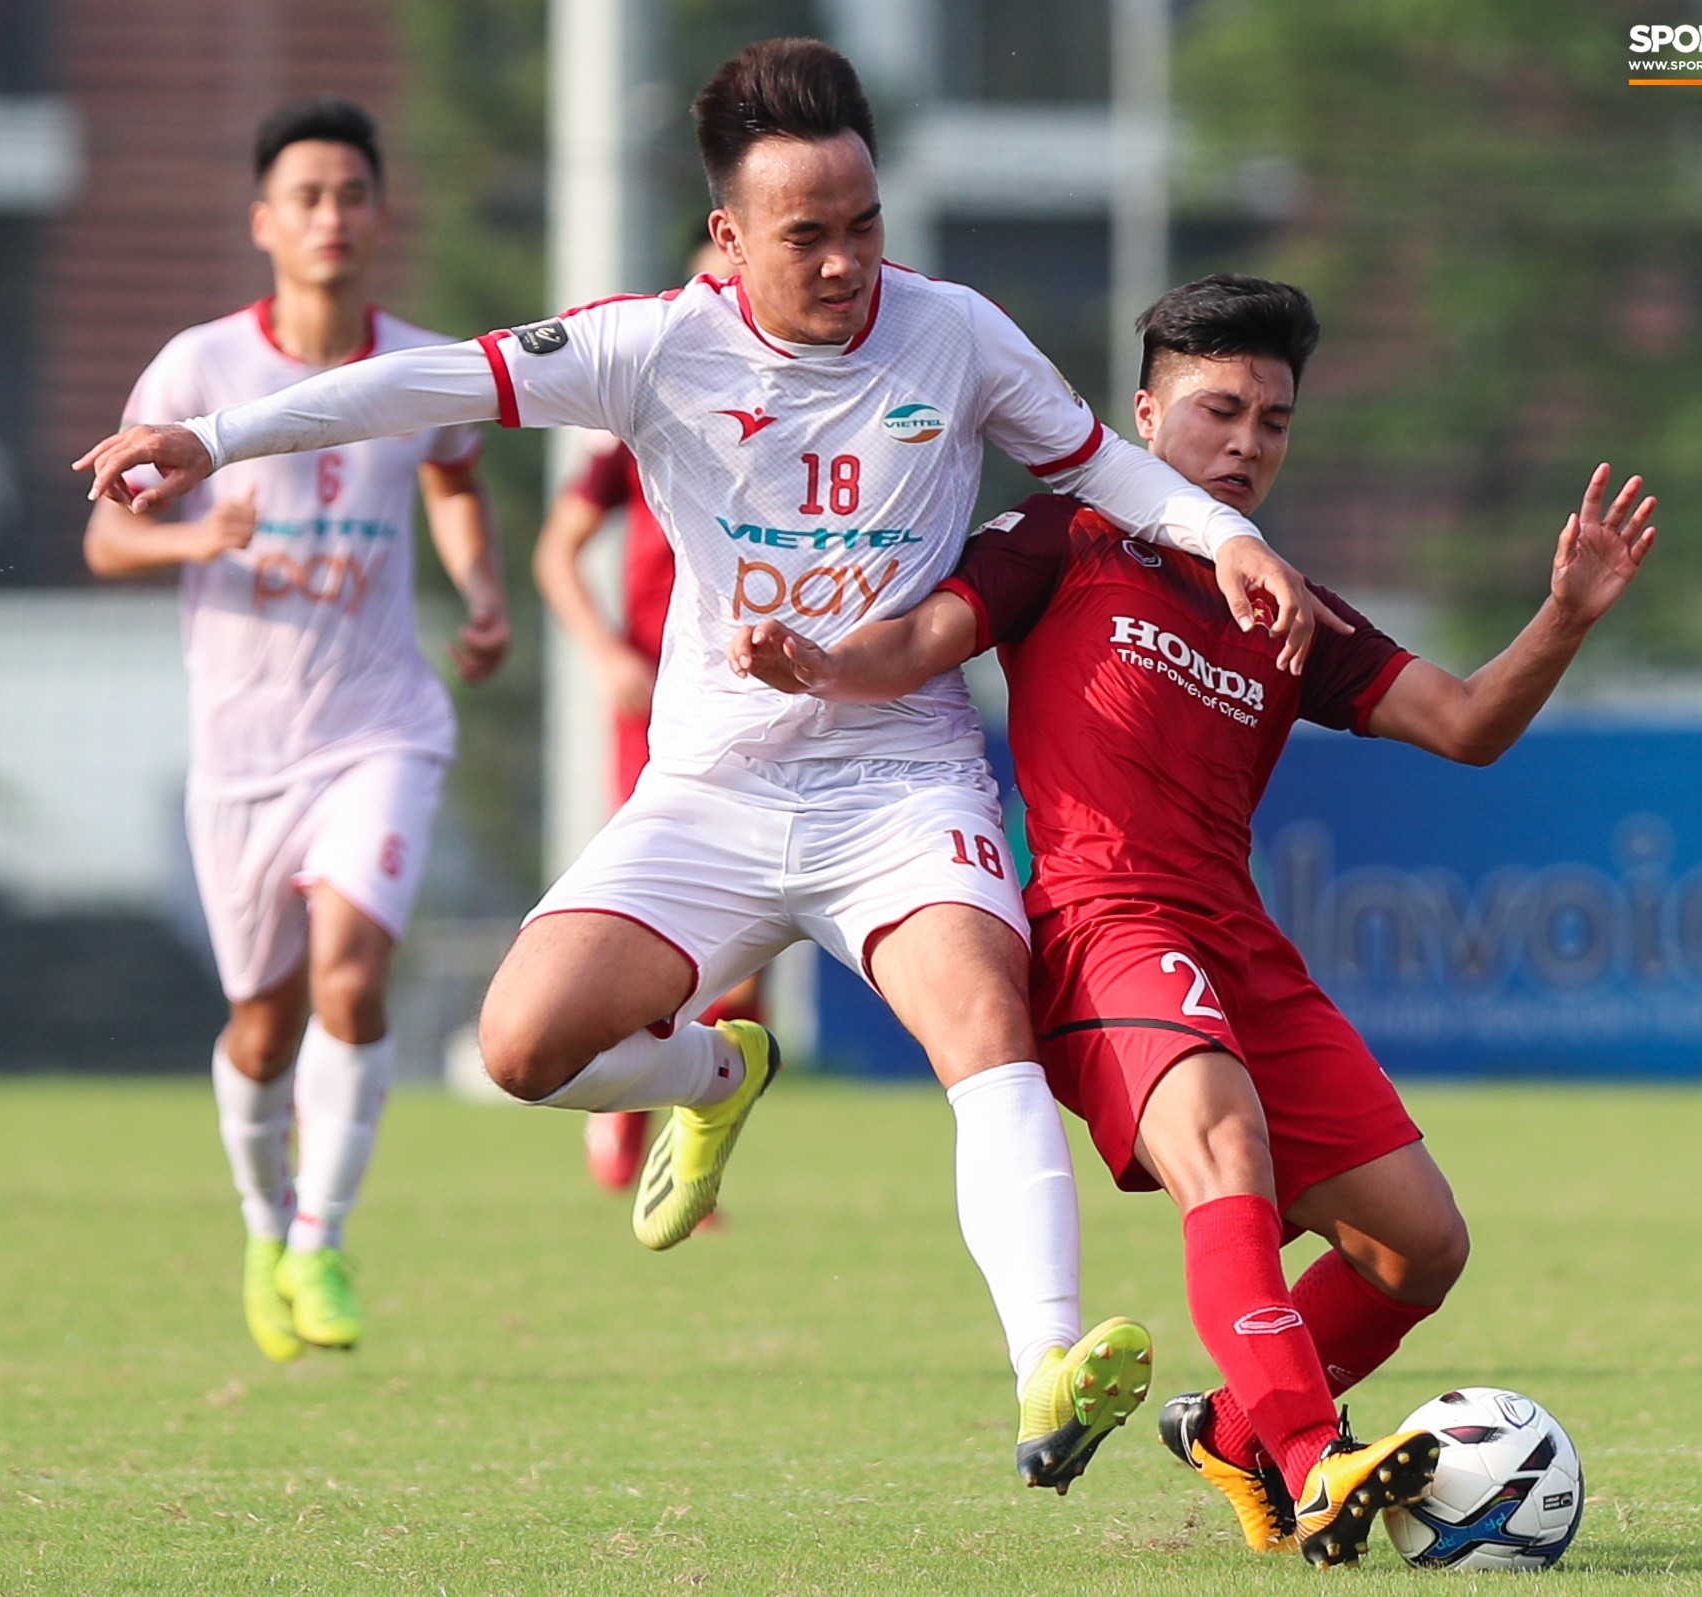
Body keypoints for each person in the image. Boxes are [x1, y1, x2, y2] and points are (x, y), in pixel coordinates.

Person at [75, 43, 1332, 1489]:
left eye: (865, 223)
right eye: (811, 233)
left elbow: (1100, 465)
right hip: (712, 795)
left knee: (981, 1022)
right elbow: (416, 386)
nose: (852, 260)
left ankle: (1046, 1361)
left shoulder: (959, 333)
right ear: (730, 238)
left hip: (900, 788)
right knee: (523, 1049)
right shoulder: (650, 342)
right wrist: (212, 437)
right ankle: (715, 1069)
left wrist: (1227, 535)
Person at [726, 273, 1656, 1563]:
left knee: (1419, 1246)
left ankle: (1232, 1425)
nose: (1247, 444)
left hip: (1240, 942)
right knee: (1221, 1144)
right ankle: (1309, 1454)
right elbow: (926, 634)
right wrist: (821, 662)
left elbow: (1465, 725)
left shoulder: (1285, 598)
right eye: (1220, 410)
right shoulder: (1062, 534)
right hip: (1103, 922)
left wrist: (1561, 617)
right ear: (1145, 416)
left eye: (1273, 422)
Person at [82, 97, 509, 1363]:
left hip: (381, 726)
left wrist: (479, 592)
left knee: (350, 975)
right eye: (307, 196)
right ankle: (265, 1224)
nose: (332, 215)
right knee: (263, 1024)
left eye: (352, 194)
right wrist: (184, 534)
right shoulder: (200, 369)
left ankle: (323, 1235)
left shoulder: (413, 363)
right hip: (244, 756)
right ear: (265, 222)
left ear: (380, 214)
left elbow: (449, 473)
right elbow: (104, 532)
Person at [534, 235, 767, 1193]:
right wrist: (604, 653)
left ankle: (686, 1130)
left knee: (749, 948)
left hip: (766, 691)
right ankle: (623, 1137)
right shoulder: (645, 404)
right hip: (659, 703)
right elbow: (559, 550)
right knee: (660, 918)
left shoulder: (806, 405)